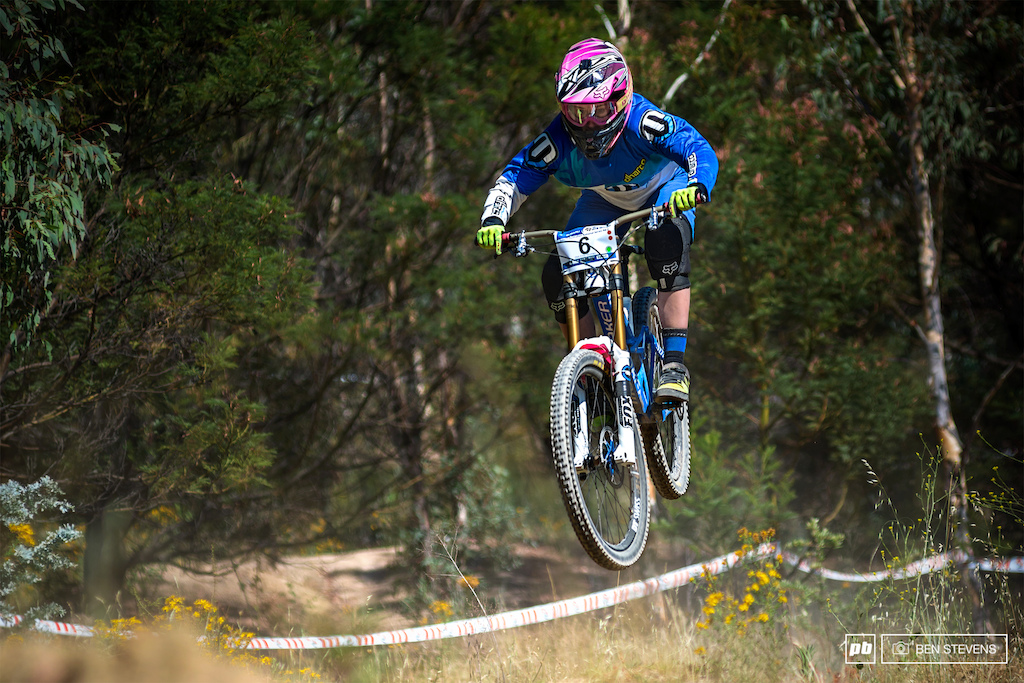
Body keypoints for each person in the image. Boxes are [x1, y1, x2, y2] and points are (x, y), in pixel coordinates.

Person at [476, 38, 718, 405]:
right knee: (557, 275)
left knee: (665, 239)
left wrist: (697, 185)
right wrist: (493, 219)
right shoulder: (558, 139)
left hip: (666, 187)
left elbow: (696, 147)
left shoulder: (642, 121)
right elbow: (516, 175)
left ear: (622, 98)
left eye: (599, 110)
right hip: (604, 200)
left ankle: (674, 365)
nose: (587, 124)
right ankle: (585, 375)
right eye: (576, 113)